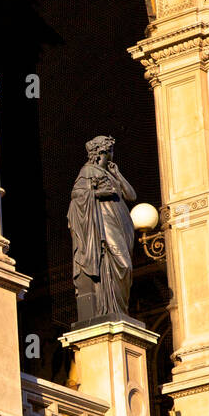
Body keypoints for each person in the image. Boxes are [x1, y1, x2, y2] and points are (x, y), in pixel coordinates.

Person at [67, 134, 137, 321]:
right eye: (110, 149)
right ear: (102, 151)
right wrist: (99, 193)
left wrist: (118, 174)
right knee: (123, 265)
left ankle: (120, 311)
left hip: (122, 225)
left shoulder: (111, 173)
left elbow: (131, 196)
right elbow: (77, 196)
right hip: (105, 224)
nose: (112, 153)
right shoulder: (88, 171)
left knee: (126, 267)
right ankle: (110, 308)